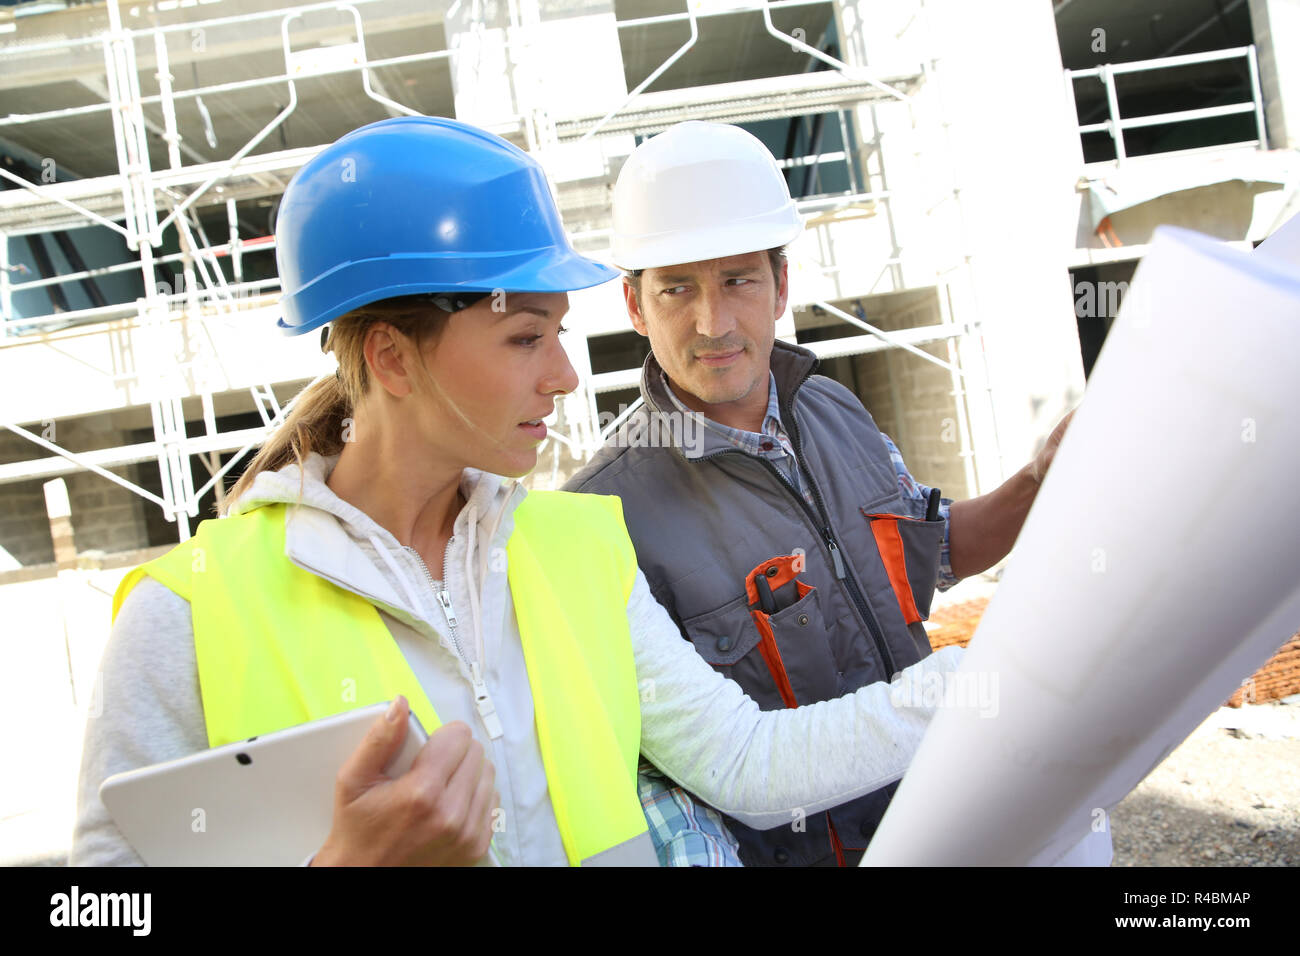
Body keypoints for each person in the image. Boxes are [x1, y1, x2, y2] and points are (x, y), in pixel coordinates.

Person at [70, 115, 969, 868]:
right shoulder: (187, 615)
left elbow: (748, 763)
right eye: (524, 339)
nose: (566, 378)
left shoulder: (576, 552)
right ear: (392, 357)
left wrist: (984, 680)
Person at [566, 120, 1103, 867]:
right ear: (634, 305)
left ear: (781, 285)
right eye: (677, 288)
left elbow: (934, 548)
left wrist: (1039, 480)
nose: (711, 323)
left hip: (950, 816)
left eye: (738, 281)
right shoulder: (603, 520)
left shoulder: (833, 409)